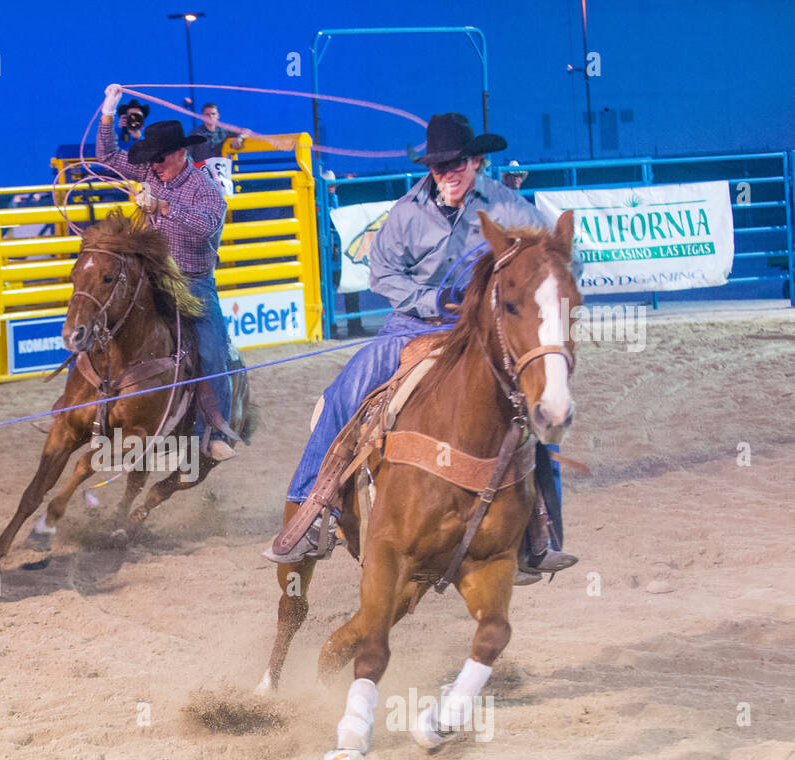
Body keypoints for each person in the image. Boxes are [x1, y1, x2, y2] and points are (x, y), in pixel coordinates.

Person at [265, 112, 577, 581]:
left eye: (457, 164)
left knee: (536, 404)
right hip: (413, 324)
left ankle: (539, 535)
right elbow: (382, 274)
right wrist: (430, 298)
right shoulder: (406, 214)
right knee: (347, 389)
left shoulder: (510, 208)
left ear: (476, 161)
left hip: (480, 331)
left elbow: (554, 260)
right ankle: (312, 507)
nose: (447, 174)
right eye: (438, 166)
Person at [96, 83, 237, 461]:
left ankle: (213, 431)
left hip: (191, 281)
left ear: (178, 153)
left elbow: (207, 226)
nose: (152, 164)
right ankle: (84, 411)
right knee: (98, 320)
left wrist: (161, 207)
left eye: (159, 158)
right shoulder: (149, 169)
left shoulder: (205, 189)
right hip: (147, 277)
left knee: (211, 349)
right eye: (151, 159)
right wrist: (109, 109)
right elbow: (106, 155)